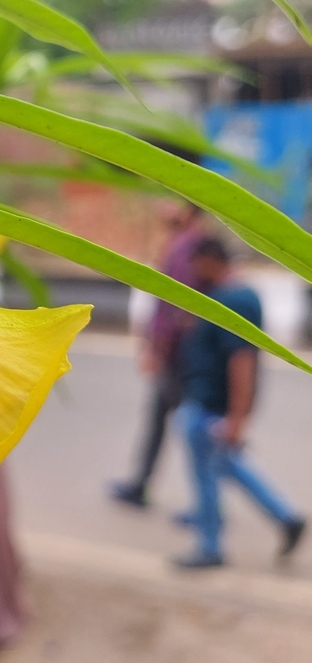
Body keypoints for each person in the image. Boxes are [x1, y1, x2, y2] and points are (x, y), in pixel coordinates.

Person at [173, 236, 306, 568]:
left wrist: (237, 417)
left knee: (206, 475)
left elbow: (243, 362)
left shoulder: (235, 300)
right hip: (206, 401)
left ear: (210, 260)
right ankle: (285, 516)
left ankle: (210, 547)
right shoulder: (222, 296)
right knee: (226, 466)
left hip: (212, 406)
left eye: (197, 265)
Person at [110, 200, 205, 507]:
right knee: (168, 423)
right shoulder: (184, 245)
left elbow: (173, 308)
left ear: (188, 211)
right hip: (180, 356)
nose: (163, 207)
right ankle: (144, 486)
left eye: (172, 202)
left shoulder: (186, 249)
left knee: (191, 427)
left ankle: (211, 505)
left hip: (177, 358)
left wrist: (157, 350)